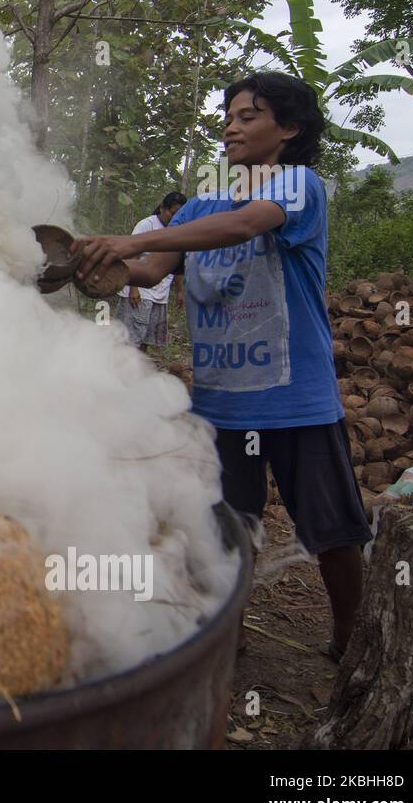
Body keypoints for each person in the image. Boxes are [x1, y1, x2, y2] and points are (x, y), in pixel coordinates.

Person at [72, 71, 373, 663]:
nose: (231, 126)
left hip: (294, 398)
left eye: (249, 116)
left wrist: (130, 243)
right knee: (226, 531)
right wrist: (98, 267)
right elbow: (153, 272)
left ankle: (355, 642)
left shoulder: (298, 186)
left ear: (288, 128)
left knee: (333, 530)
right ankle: (223, 643)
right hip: (222, 405)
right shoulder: (203, 204)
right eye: (229, 115)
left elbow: (244, 225)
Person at [115, 192, 187, 351]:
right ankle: (120, 371)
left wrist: (180, 290)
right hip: (141, 291)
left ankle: (139, 372)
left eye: (180, 214)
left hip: (160, 293)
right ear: (162, 208)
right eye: (172, 213)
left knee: (147, 337)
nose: (175, 217)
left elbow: (177, 263)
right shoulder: (147, 225)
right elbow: (132, 254)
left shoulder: (177, 230)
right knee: (131, 338)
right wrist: (133, 288)